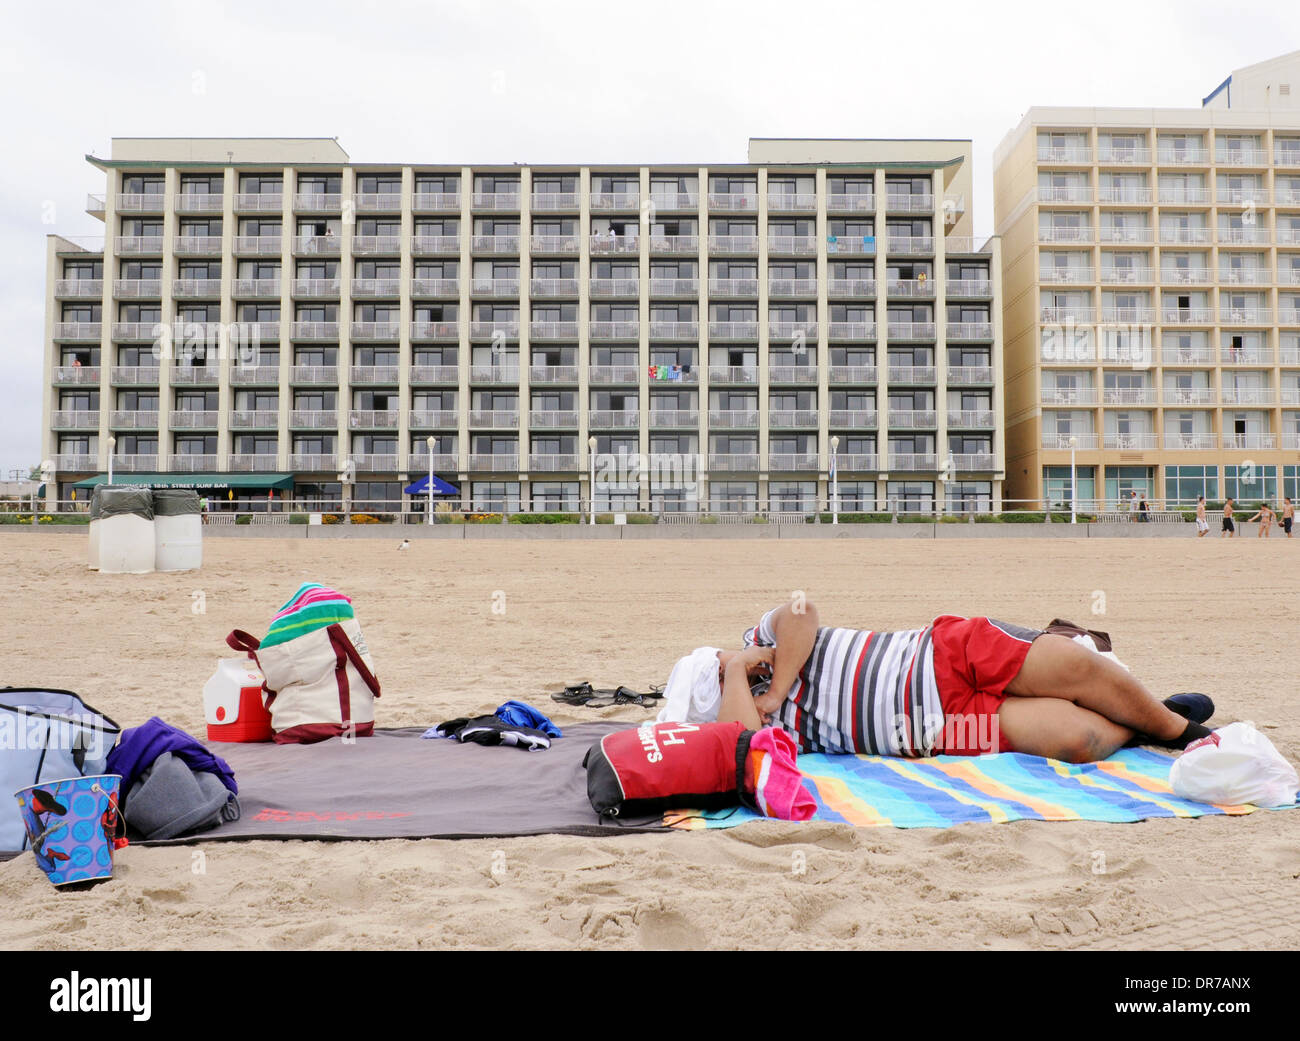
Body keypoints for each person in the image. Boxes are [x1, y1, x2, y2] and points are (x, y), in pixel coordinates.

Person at [661, 600, 1215, 765]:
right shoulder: (752, 728)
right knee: (1079, 741)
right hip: (935, 730)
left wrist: (774, 681)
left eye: (715, 667)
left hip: (942, 656)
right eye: (713, 684)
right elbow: (742, 745)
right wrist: (738, 674)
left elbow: (802, 608)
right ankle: (1143, 719)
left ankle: (1173, 726)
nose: (724, 674)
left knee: (1074, 670)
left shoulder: (767, 638)